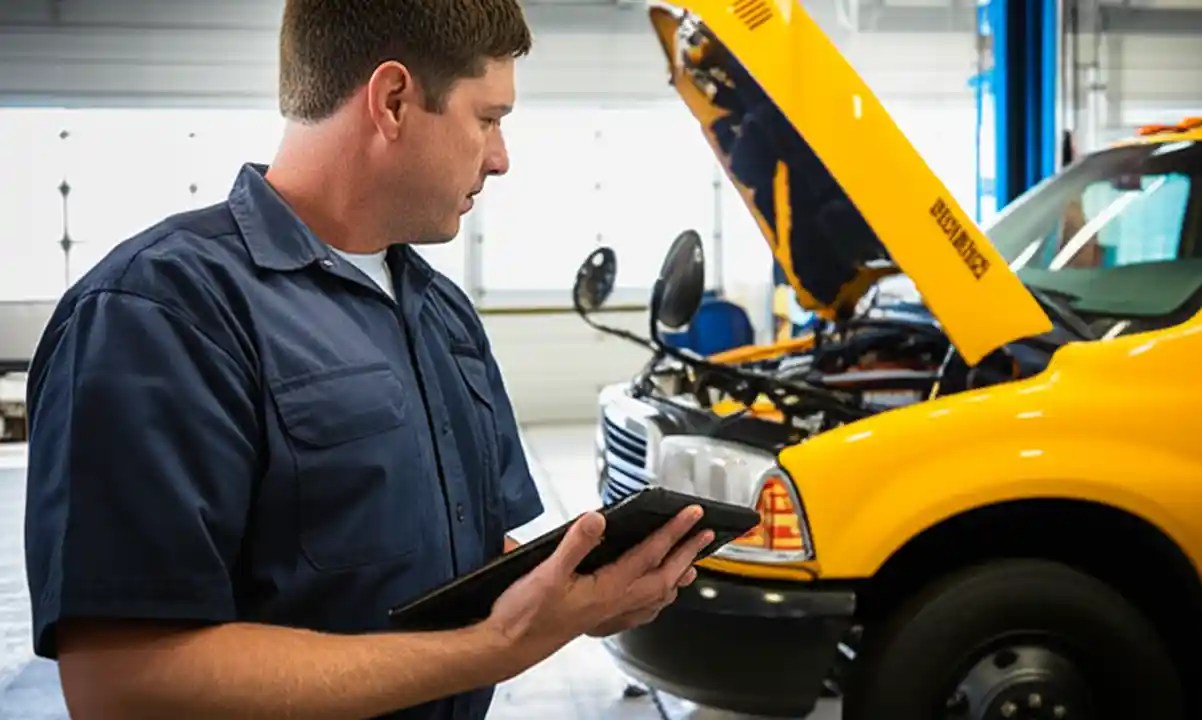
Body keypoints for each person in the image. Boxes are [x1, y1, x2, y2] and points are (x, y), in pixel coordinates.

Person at [21, 1, 713, 718]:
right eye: (489, 118)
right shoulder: (159, 312)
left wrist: (580, 594)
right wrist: (496, 647)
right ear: (392, 101)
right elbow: (122, 687)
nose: (502, 158)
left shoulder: (442, 313)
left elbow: (466, 550)